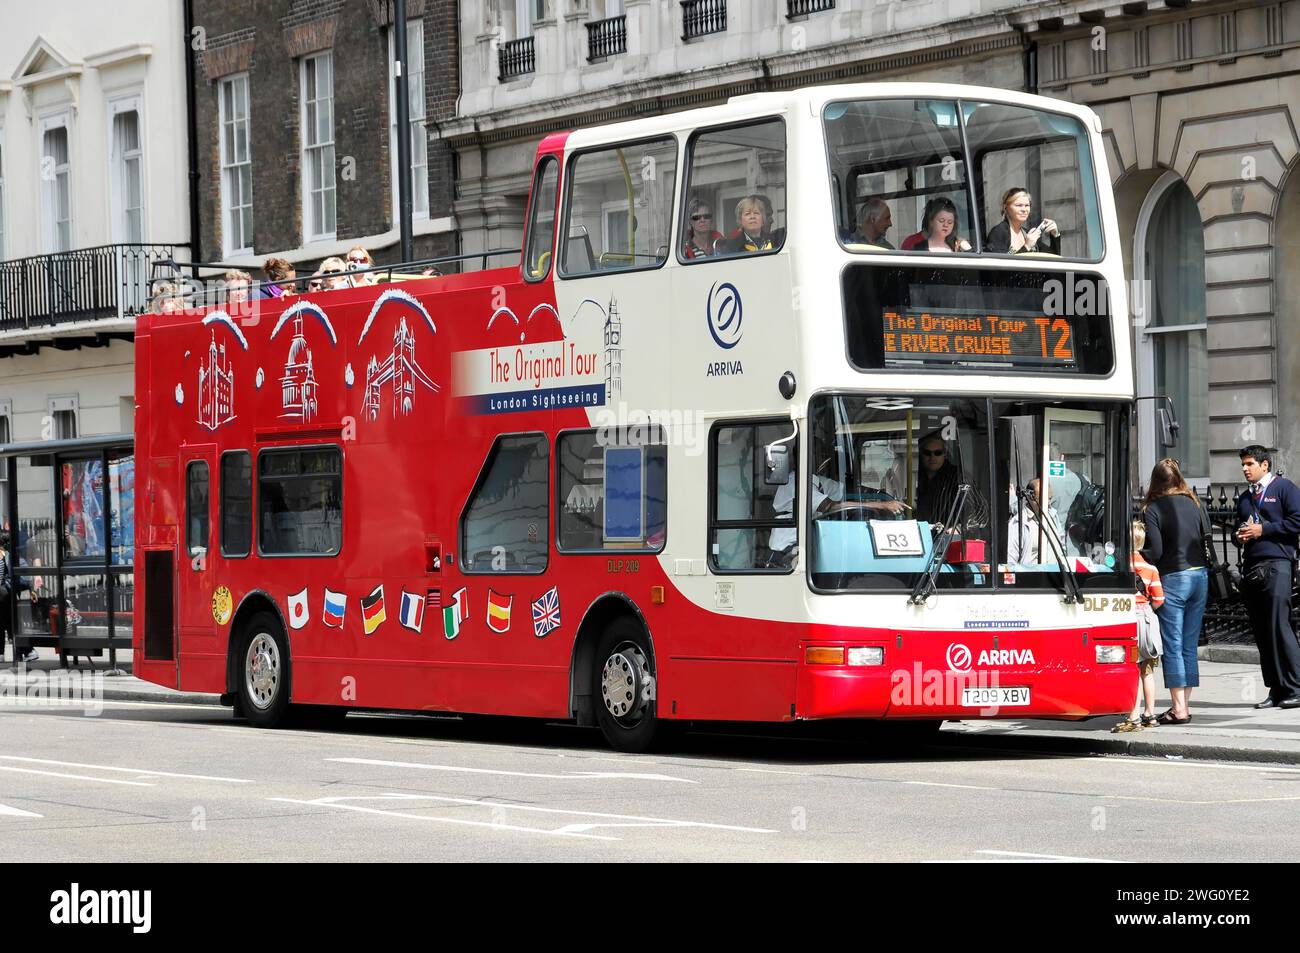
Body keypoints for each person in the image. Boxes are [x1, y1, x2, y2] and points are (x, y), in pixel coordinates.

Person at [1141, 458, 1208, 724]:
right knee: (1189, 644)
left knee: (1173, 644)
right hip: (1199, 576)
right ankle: (1184, 705)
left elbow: (1155, 551)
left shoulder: (1152, 509)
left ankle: (1179, 709)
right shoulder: (1194, 502)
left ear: (1155, 481)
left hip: (1174, 577)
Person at [1233, 445, 1300, 708]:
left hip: (1278, 564)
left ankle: (1295, 686)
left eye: (1250, 464)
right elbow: (1241, 529)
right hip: (1253, 566)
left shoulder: (1283, 488)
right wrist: (1239, 537)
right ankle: (1276, 688)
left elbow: (1297, 520)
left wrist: (1264, 530)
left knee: (1279, 626)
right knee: (1262, 631)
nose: (1245, 469)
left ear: (1265, 465)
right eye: (1243, 465)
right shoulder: (1245, 498)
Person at [1114, 519, 1165, 731]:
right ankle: (1149, 713)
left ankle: (1133, 715)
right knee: (1148, 669)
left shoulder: (1119, 567)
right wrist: (1148, 607)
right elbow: (1160, 599)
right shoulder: (1151, 568)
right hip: (1146, 618)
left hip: (1127, 618)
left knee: (1131, 668)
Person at [914, 431, 989, 530]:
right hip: (923, 539)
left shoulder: (958, 477)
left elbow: (981, 512)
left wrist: (957, 530)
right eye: (927, 453)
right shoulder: (920, 478)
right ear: (921, 454)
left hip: (948, 542)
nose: (932, 457)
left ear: (944, 454)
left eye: (938, 453)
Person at [985, 187, 1060, 255]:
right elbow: (1000, 266)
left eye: (1027, 205)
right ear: (1005, 207)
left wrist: (1055, 234)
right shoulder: (998, 233)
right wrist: (1027, 246)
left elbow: (1053, 257)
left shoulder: (1026, 233)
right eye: (1018, 205)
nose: (1024, 209)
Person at [1006, 478, 1062, 564]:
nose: (1048, 503)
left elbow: (1061, 545)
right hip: (1031, 575)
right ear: (1030, 498)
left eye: (1050, 498)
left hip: (1055, 575)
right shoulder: (1018, 523)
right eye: (1043, 499)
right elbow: (1010, 560)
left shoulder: (1053, 516)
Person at [899, 197, 971, 252]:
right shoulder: (918, 248)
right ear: (931, 222)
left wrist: (967, 248)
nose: (946, 225)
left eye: (950, 222)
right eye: (941, 221)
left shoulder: (956, 246)